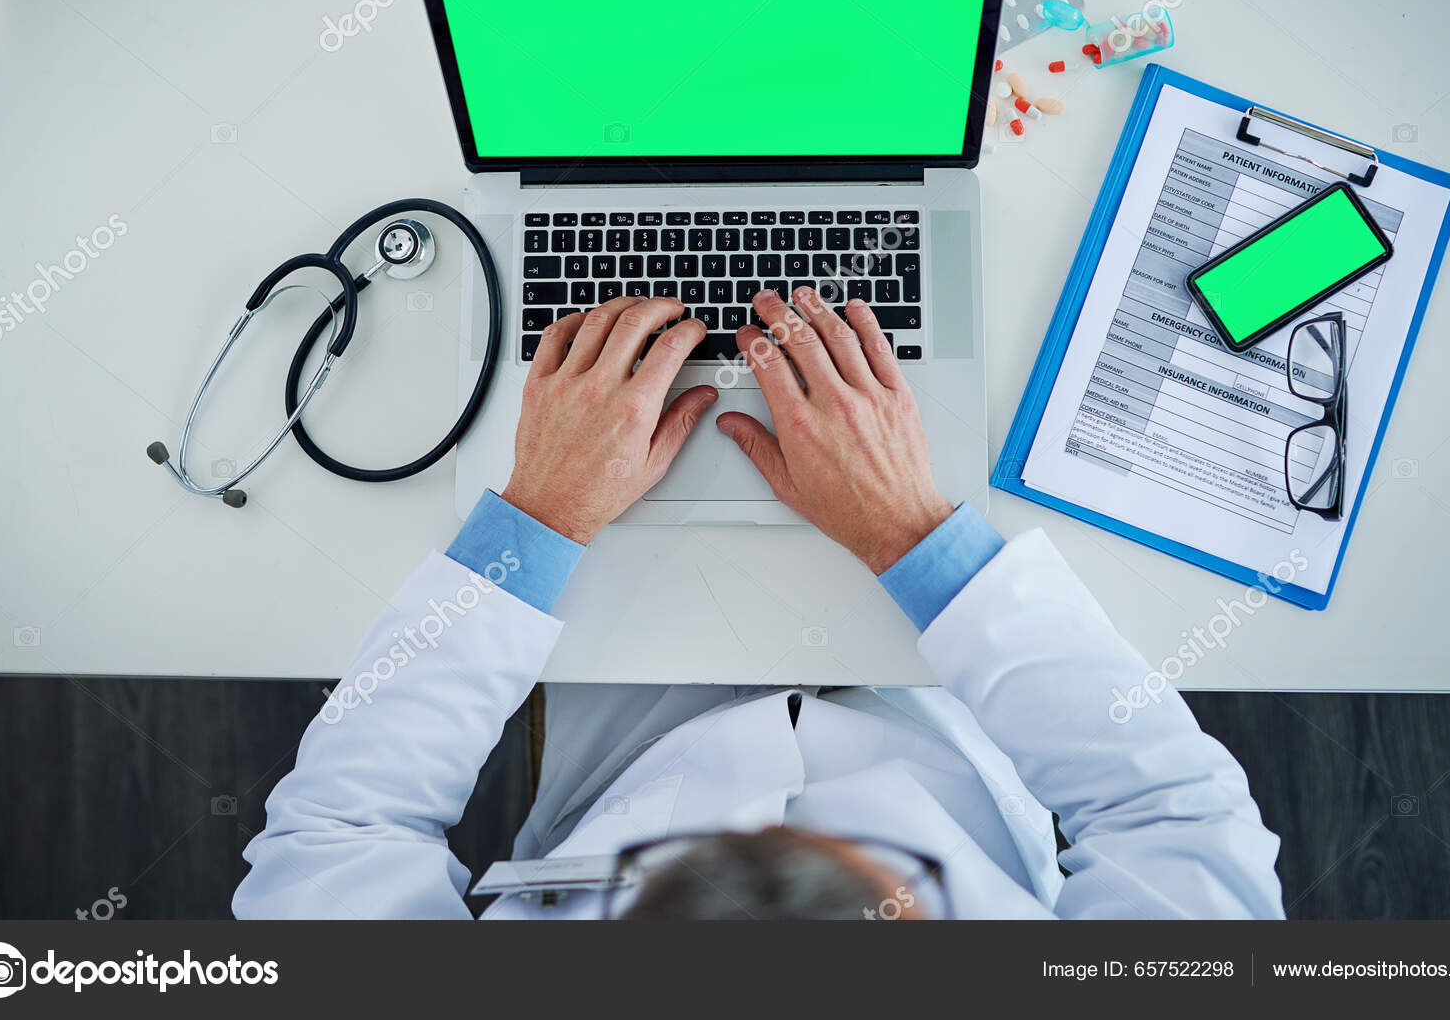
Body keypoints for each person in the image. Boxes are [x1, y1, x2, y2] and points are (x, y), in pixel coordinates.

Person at [233, 291, 1284, 920]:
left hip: (627, 727)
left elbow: (343, 827)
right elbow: (1171, 815)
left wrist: (539, 518)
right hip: (953, 714)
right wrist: (916, 536)